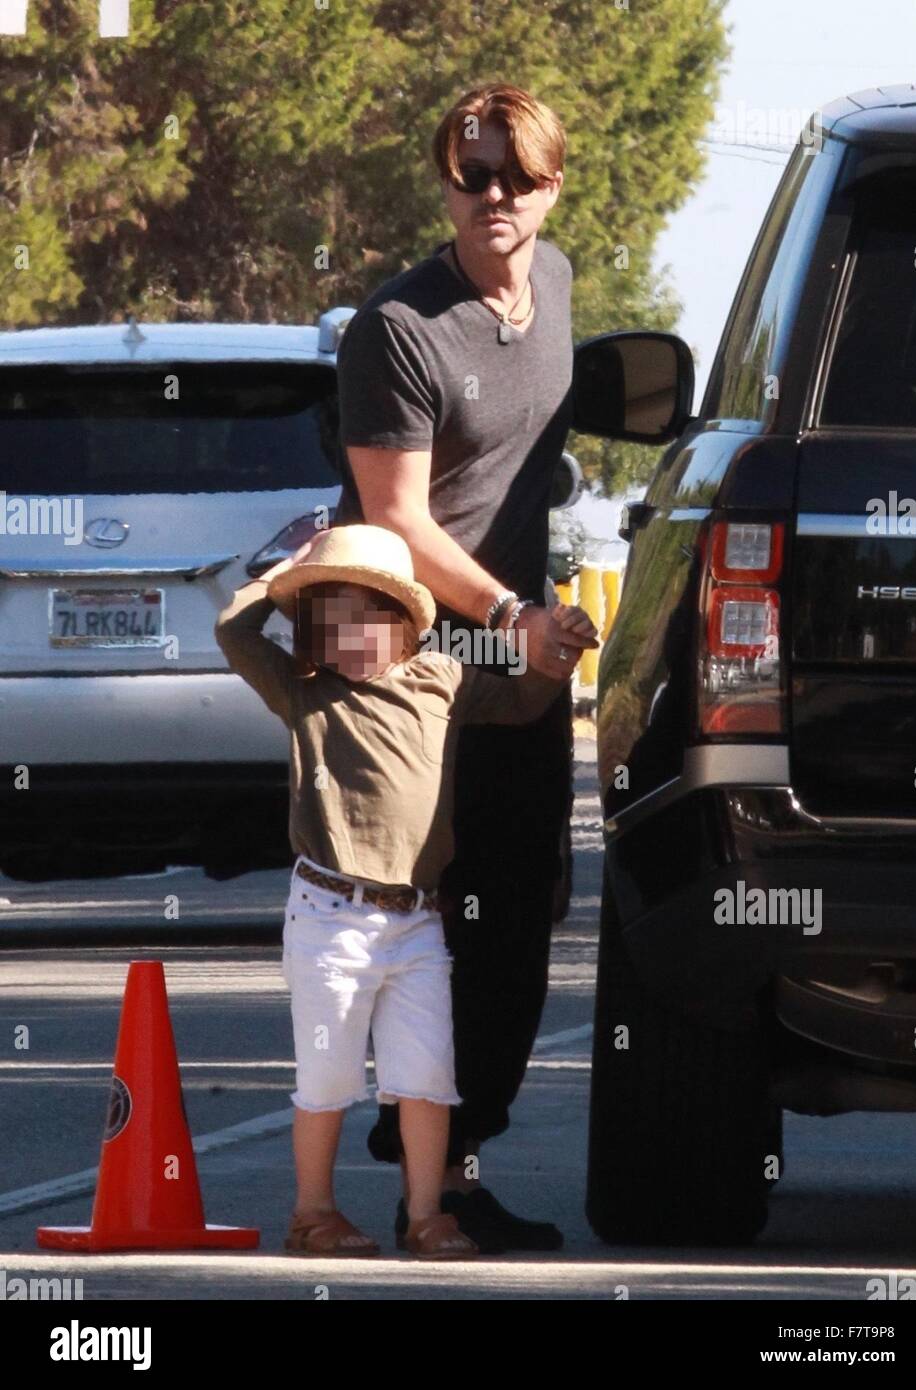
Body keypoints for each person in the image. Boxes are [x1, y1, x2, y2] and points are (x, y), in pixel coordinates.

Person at [333, 82, 593, 1251]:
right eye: (470, 173)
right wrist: (511, 612)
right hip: (412, 662)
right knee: (436, 927)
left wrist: (544, 625)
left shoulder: (562, 290)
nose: (493, 196)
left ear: (553, 184)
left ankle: (454, 1155)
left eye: (517, 176)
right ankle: (426, 1186)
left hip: (520, 652)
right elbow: (398, 520)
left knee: (523, 915)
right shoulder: (398, 328)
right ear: (443, 180)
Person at [214, 523, 597, 1257]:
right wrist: (279, 580)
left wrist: (560, 650)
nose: (345, 638)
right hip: (329, 914)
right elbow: (235, 634)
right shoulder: (302, 691)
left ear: (404, 622)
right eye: (324, 624)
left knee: (426, 1078)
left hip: (417, 921)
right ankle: (313, 1213)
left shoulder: (442, 677)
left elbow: (521, 704)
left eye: (363, 618)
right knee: (327, 1078)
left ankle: (426, 1215)